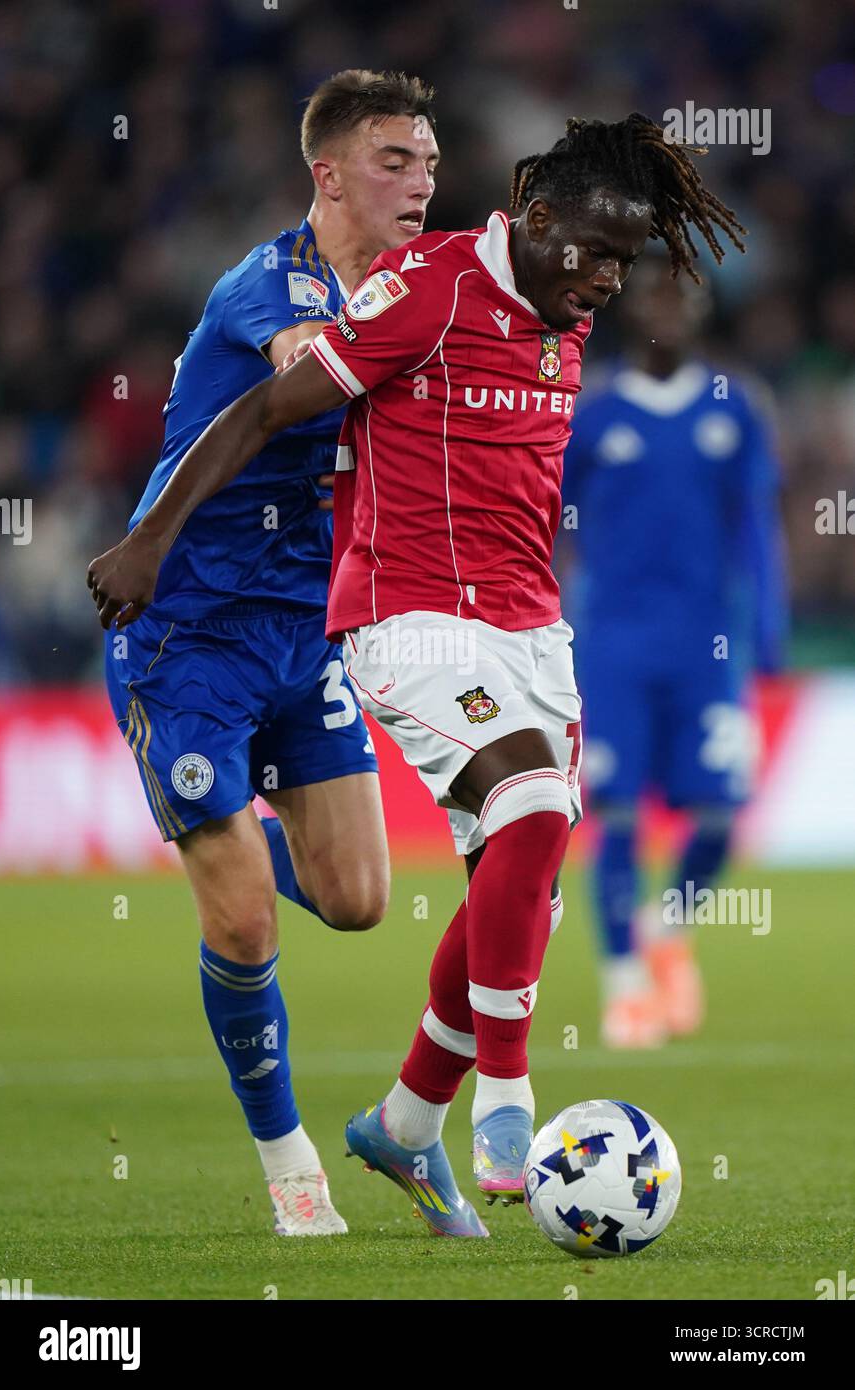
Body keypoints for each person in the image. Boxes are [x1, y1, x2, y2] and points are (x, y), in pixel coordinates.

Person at [87, 113, 746, 1239]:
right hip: (407, 617)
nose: (599, 279)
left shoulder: (563, 318)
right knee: (529, 804)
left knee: (510, 885)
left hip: (531, 634)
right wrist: (149, 536)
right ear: (532, 218)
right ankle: (504, 1096)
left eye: (620, 263)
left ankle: (401, 1118)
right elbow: (267, 405)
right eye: (587, 251)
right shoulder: (427, 288)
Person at [87, 70, 439, 1236]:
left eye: (430, 162)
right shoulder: (271, 280)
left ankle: (230, 828)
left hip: (305, 631)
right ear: (327, 173)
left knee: (359, 902)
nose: (420, 180)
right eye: (394, 160)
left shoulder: (412, 287)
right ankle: (289, 1161)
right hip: (187, 630)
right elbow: (299, 359)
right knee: (245, 925)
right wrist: (142, 541)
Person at [556, 251, 787, 1048]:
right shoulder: (596, 411)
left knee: (721, 811)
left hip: (706, 645)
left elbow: (755, 527)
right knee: (614, 812)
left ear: (701, 310)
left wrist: (768, 631)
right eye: (654, 296)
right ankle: (624, 984)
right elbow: (550, 518)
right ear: (633, 309)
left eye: (682, 298)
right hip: (613, 644)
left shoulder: (735, 407)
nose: (667, 311)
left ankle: (667, 925)